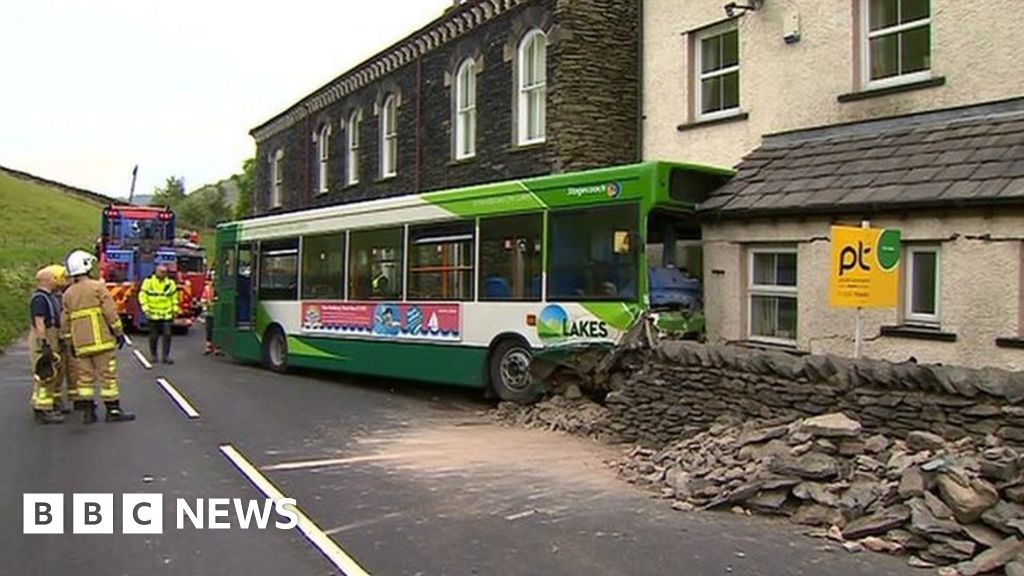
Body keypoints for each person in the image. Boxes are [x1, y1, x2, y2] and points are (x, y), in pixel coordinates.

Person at [61, 249, 134, 424]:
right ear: (86, 266)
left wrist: (69, 341)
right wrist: (119, 332)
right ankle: (113, 411)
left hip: (81, 345)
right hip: (101, 341)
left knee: (84, 379)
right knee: (107, 377)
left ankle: (88, 412)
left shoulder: (68, 293)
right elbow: (110, 312)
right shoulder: (97, 287)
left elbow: (65, 320)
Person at [28, 267, 66, 424]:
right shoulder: (40, 299)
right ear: (45, 280)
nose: (55, 280)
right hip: (44, 337)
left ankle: (46, 405)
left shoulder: (50, 297)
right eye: (52, 278)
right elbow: (39, 322)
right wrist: (44, 343)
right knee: (46, 374)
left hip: (52, 335)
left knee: (53, 372)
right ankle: (43, 410)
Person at [139, 264, 179, 364]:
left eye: (165, 272)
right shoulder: (148, 282)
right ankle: (154, 356)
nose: (163, 274)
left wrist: (175, 309)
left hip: (167, 314)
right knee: (154, 336)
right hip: (153, 314)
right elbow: (143, 296)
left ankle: (165, 357)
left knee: (167, 335)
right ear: (156, 272)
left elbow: (174, 297)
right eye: (161, 272)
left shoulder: (170, 284)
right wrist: (146, 309)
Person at [200, 272, 220, 355]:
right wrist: (205, 306)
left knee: (217, 329)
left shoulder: (219, 289)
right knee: (209, 330)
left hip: (218, 313)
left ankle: (217, 348)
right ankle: (209, 347)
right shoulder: (207, 288)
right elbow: (203, 299)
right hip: (209, 313)